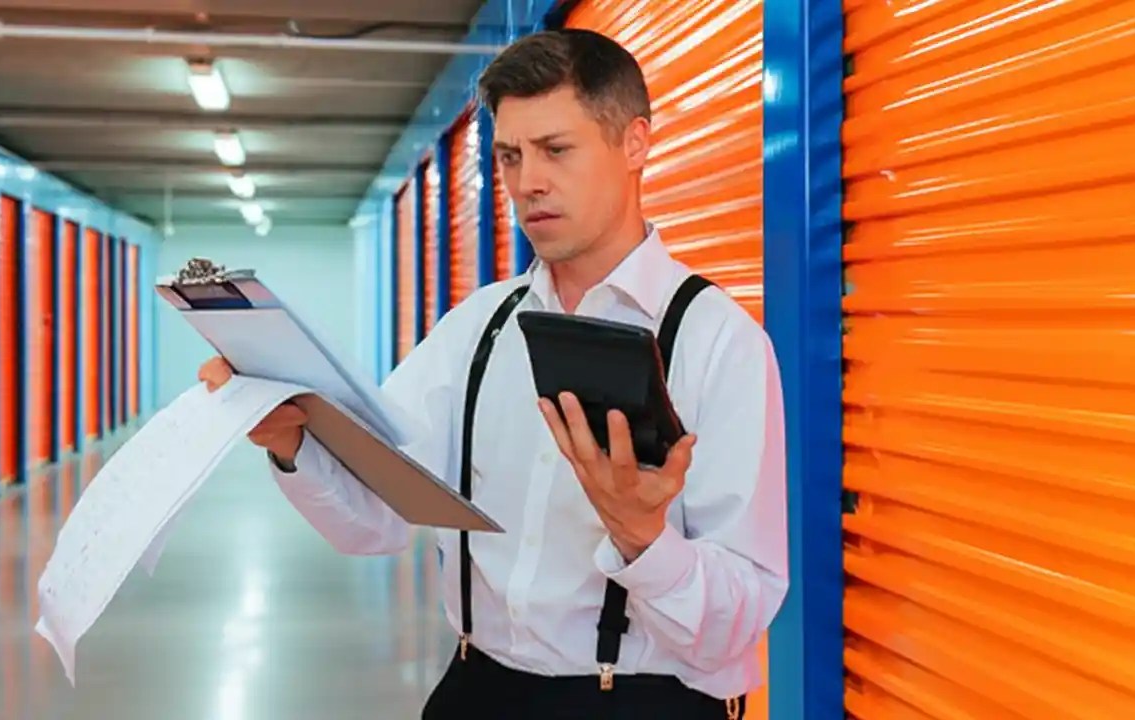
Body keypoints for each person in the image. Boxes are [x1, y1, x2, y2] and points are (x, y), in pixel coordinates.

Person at [199, 28, 788, 720]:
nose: (526, 182)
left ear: (635, 144)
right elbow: (376, 520)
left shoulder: (720, 343)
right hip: (477, 691)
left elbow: (737, 621)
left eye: (555, 150)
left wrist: (642, 538)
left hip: (643, 703)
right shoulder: (477, 329)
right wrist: (292, 441)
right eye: (509, 156)